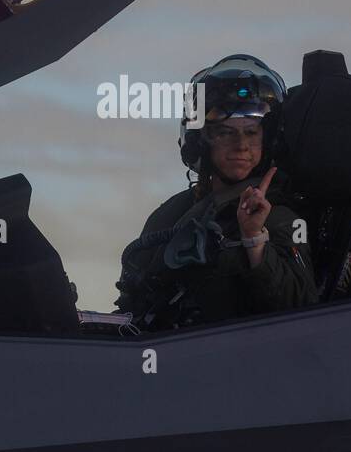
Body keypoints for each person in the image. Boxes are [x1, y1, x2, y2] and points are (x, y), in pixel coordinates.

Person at [114, 55, 318, 329]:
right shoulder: (173, 214)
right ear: (200, 141)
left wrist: (254, 240)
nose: (241, 145)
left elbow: (304, 313)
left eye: (251, 132)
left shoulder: (282, 219)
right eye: (224, 132)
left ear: (269, 139)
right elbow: (130, 306)